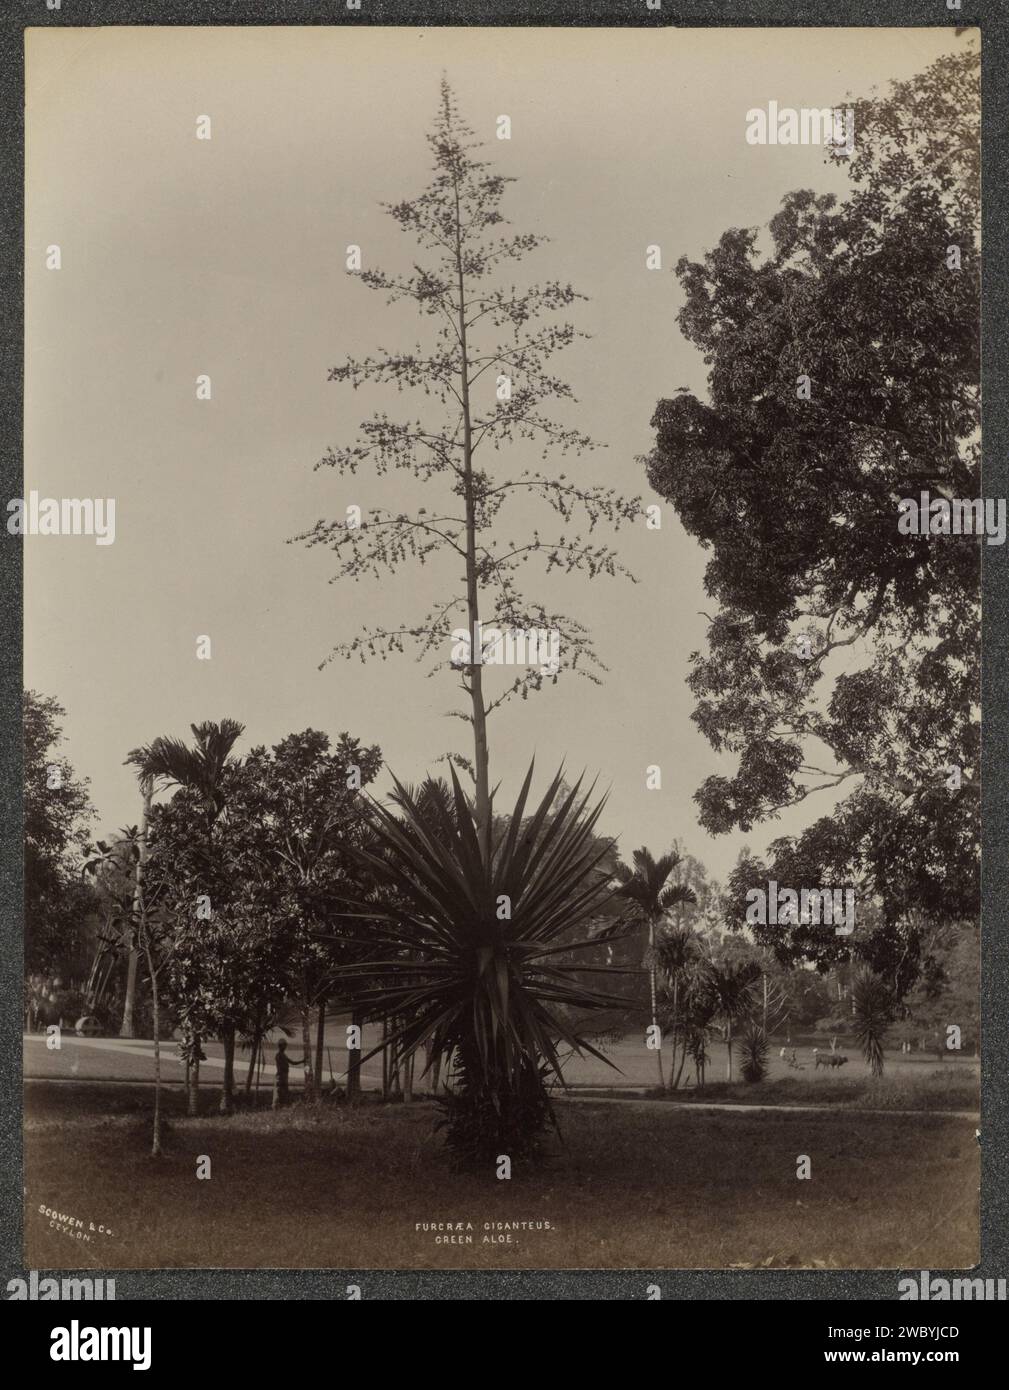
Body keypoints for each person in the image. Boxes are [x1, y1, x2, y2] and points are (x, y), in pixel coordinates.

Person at [272, 1039, 304, 1109]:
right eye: (284, 1046)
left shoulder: (283, 1055)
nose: (285, 1047)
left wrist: (302, 1061)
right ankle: (276, 1106)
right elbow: (281, 1067)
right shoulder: (279, 1055)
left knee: (284, 1091)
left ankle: (282, 1105)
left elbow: (292, 1062)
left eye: (285, 1046)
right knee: (279, 1092)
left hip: (284, 1076)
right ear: (280, 1046)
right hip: (281, 1076)